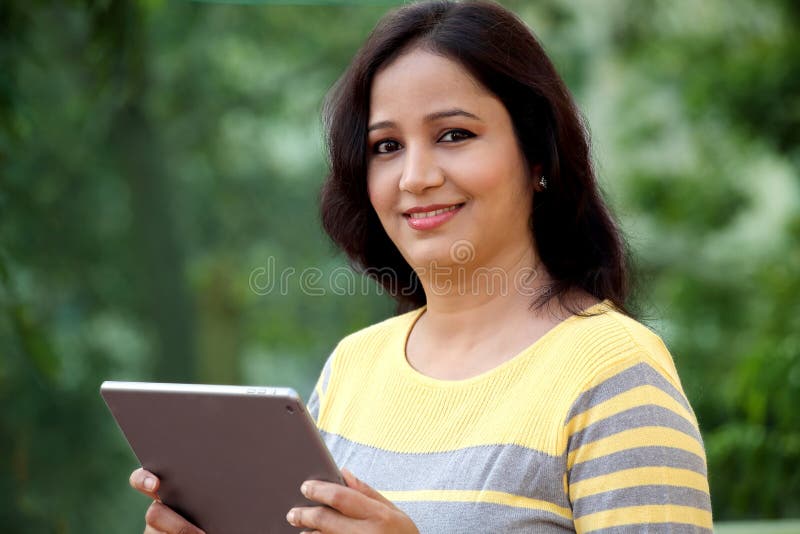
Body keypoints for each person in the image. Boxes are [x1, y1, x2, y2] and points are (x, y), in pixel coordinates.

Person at [130, 1, 713, 532]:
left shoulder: (614, 371)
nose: (415, 177)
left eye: (454, 134)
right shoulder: (352, 369)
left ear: (538, 155)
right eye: (387, 146)